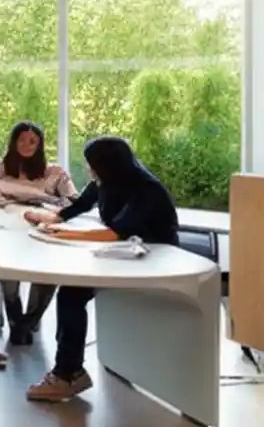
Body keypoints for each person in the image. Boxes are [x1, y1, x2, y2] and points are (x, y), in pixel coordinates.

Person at [24, 136, 179, 402]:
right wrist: (51, 219)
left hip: (152, 260)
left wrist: (63, 235)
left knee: (71, 295)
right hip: (125, 254)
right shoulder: (108, 180)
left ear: (107, 165)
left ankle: (67, 374)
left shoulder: (146, 189)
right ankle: (70, 371)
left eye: (91, 164)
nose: (88, 169)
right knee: (71, 290)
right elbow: (82, 204)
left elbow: (115, 233)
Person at [0, 121, 76, 345]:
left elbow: (73, 201)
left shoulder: (55, 172)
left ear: (40, 145)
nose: (27, 145)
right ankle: (16, 322)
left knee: (47, 273)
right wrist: (10, 198)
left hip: (43, 230)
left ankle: (30, 321)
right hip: (7, 230)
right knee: (9, 271)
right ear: (14, 141)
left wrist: (39, 203)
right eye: (22, 140)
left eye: (33, 141)